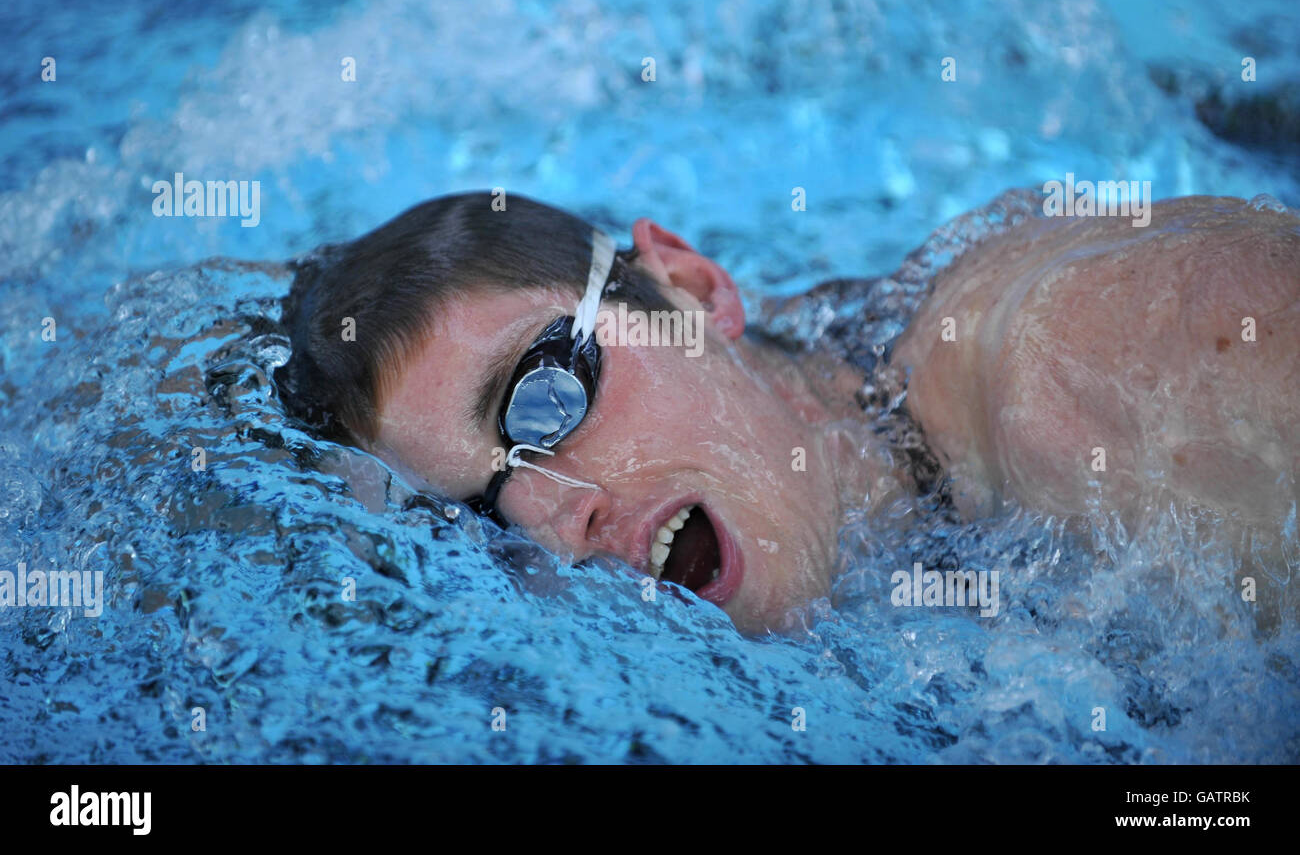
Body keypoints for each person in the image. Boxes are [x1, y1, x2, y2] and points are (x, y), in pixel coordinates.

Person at [278, 191, 1300, 634]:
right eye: (479, 516)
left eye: (543, 398)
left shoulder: (1119, 367)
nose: (554, 519)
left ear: (690, 289)